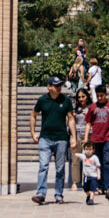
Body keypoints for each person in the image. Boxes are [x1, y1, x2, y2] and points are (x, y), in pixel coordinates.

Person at [32, 75, 76, 204]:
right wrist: (33, 132)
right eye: (56, 85)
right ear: (49, 87)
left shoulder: (66, 100)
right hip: (45, 138)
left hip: (61, 138)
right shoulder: (42, 100)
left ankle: (58, 194)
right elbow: (33, 115)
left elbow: (71, 119)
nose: (59, 87)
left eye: (60, 85)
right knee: (43, 166)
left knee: (60, 168)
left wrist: (73, 137)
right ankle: (40, 193)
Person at [83, 84, 109, 201]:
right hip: (95, 139)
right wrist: (86, 138)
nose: (100, 98)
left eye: (102, 96)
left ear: (106, 95)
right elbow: (88, 123)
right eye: (98, 96)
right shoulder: (92, 107)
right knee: (97, 164)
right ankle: (99, 186)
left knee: (108, 161)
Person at [79, 140, 103, 205]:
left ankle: (91, 199)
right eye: (86, 149)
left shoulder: (95, 158)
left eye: (90, 149)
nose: (88, 151)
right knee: (85, 188)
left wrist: (98, 174)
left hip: (93, 176)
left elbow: (98, 167)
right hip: (86, 176)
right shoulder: (83, 156)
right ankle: (88, 196)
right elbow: (78, 155)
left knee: (92, 189)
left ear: (93, 150)